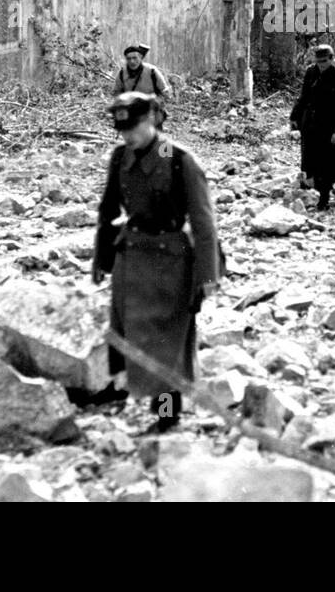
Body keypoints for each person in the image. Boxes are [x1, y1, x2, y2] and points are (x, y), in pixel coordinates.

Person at [92, 92, 222, 435]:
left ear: (152, 120)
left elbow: (204, 221)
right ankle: (118, 387)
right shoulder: (121, 156)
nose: (128, 136)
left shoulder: (176, 158)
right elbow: (107, 211)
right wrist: (101, 259)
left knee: (165, 348)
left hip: (169, 262)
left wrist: (208, 274)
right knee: (122, 330)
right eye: (123, 130)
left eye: (134, 128)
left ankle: (166, 413)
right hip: (131, 256)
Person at [289, 44, 335, 210]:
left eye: (324, 61)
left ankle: (324, 198)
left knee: (326, 163)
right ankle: (312, 187)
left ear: (332, 59)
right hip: (310, 124)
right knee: (309, 160)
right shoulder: (312, 72)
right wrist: (294, 116)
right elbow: (303, 96)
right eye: (318, 61)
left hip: (329, 127)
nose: (321, 64)